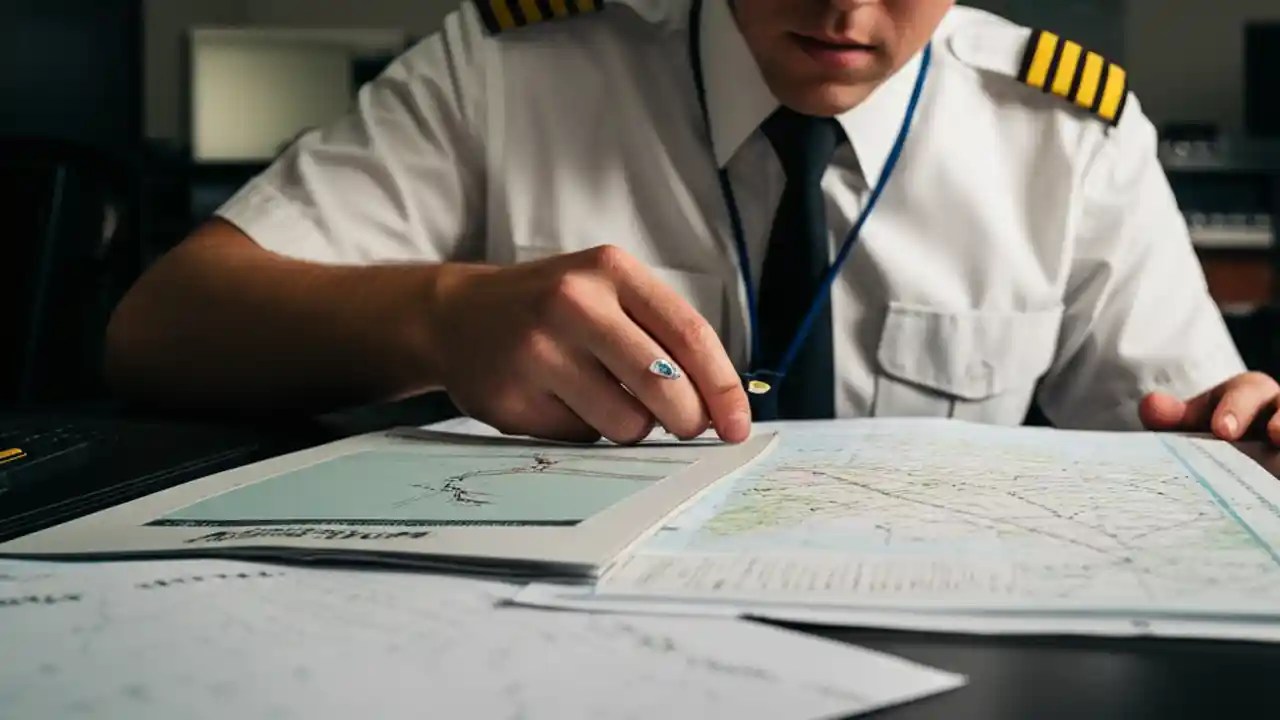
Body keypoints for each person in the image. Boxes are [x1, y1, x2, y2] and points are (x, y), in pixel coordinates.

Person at [105, 0, 1280, 446]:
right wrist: (436, 314)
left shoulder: (1066, 123)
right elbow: (160, 327)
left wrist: (1241, 437)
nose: (842, 8)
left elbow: (1183, 434)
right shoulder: (511, 66)